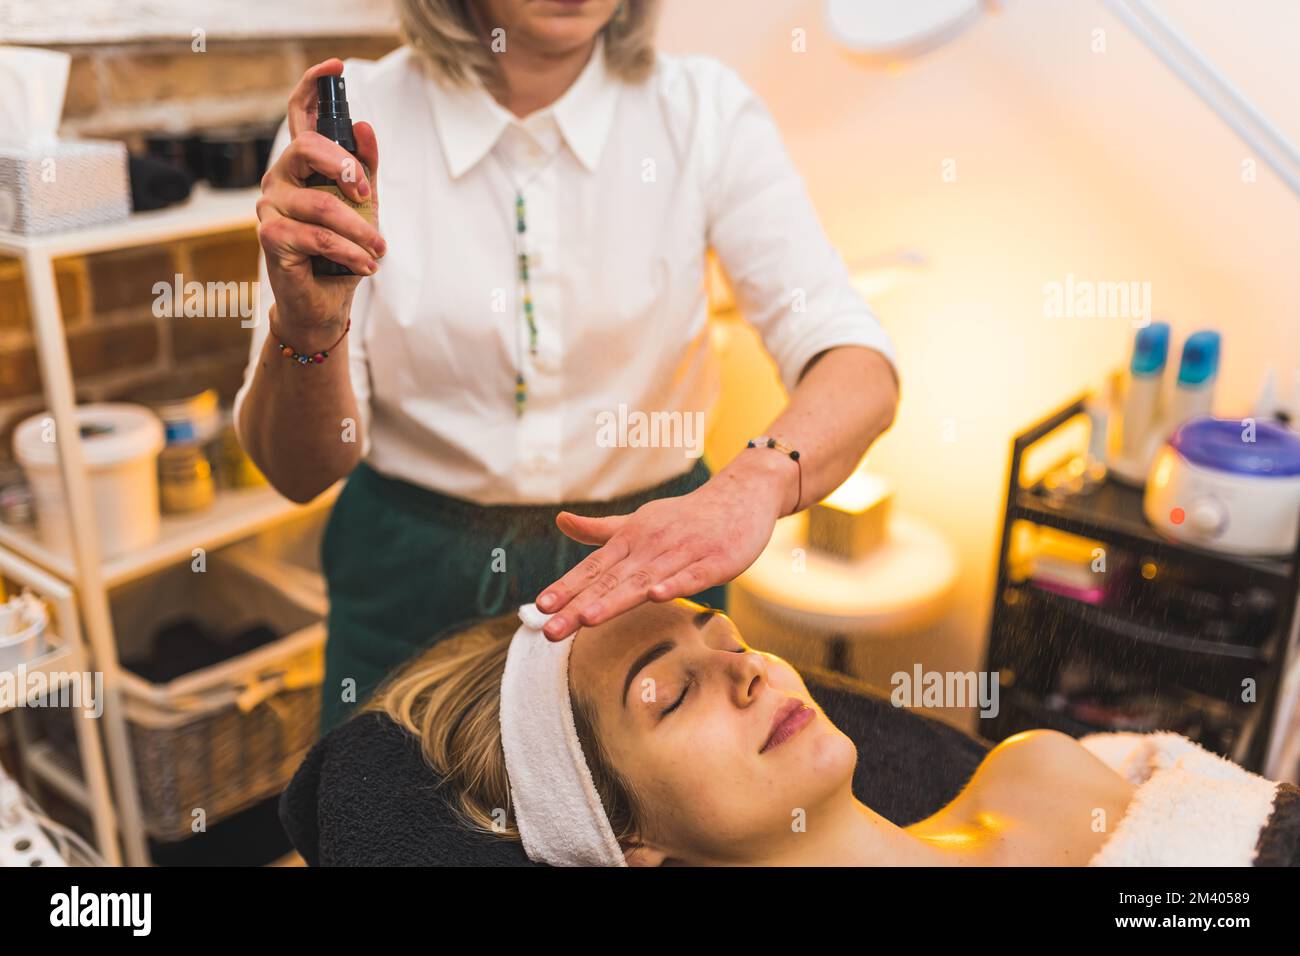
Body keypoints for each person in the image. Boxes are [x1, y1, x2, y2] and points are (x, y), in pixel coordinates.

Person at [235, 0, 900, 734]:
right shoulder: (354, 122)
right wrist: (308, 324)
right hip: (410, 590)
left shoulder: (702, 111)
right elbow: (299, 472)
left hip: (651, 588)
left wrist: (757, 482)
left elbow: (855, 361)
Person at [366, 598, 1157, 866]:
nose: (752, 671)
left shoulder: (1042, 775)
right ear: (625, 832)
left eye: (730, 639)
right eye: (673, 695)